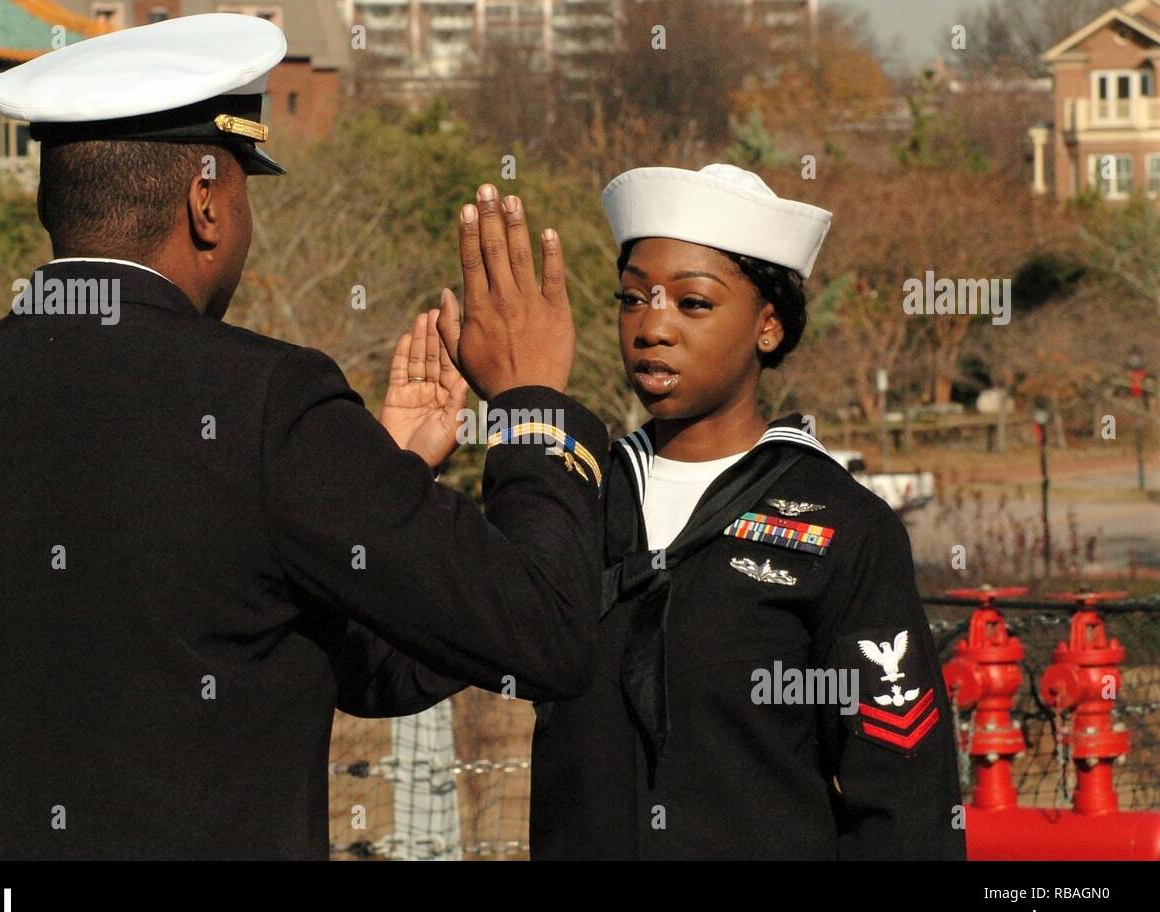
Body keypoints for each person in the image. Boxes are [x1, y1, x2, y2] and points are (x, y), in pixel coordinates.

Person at [0, 13, 605, 860]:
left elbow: (336, 649)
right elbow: (544, 631)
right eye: (244, 190)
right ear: (206, 202)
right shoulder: (269, 404)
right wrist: (530, 403)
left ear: (47, 200)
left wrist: (385, 481)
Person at [384, 164, 967, 859]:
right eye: (632, 300)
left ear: (770, 326)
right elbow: (389, 669)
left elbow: (905, 809)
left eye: (693, 303)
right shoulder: (572, 502)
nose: (652, 326)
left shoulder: (843, 528)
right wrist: (398, 473)